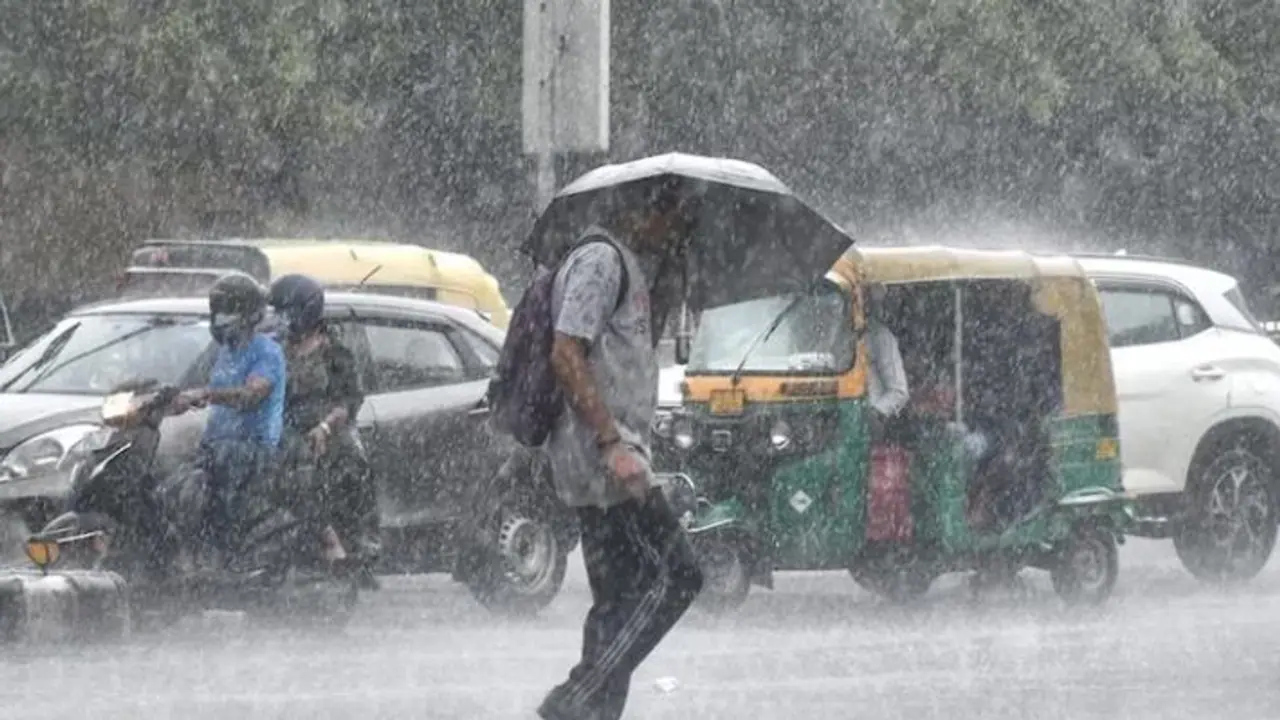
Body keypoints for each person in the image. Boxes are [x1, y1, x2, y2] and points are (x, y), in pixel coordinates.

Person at [536, 178, 705, 720]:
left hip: (617, 454)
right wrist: (612, 443)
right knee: (676, 575)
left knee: (618, 601)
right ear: (649, 212)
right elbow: (566, 354)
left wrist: (673, 281)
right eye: (679, 219)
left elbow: (624, 352)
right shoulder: (601, 260)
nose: (682, 232)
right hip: (606, 458)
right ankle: (574, 701)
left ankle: (593, 712)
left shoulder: (632, 267)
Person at [267, 273, 381, 587]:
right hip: (285, 429)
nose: (281, 320)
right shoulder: (275, 350)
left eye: (286, 312)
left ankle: (362, 545)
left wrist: (325, 426)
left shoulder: (335, 352)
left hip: (329, 428)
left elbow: (349, 400)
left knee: (353, 465)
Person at [170, 272, 287, 566]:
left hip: (251, 449)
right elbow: (191, 386)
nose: (221, 318)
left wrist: (209, 394)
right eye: (217, 310)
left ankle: (218, 556)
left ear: (248, 313)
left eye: (228, 309)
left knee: (202, 495)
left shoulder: (266, 352)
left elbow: (252, 394)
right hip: (216, 445)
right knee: (171, 485)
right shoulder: (223, 352)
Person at [864, 283, 910, 439]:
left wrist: (876, 413)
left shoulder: (880, 336)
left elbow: (899, 391)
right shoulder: (833, 335)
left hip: (866, 428)